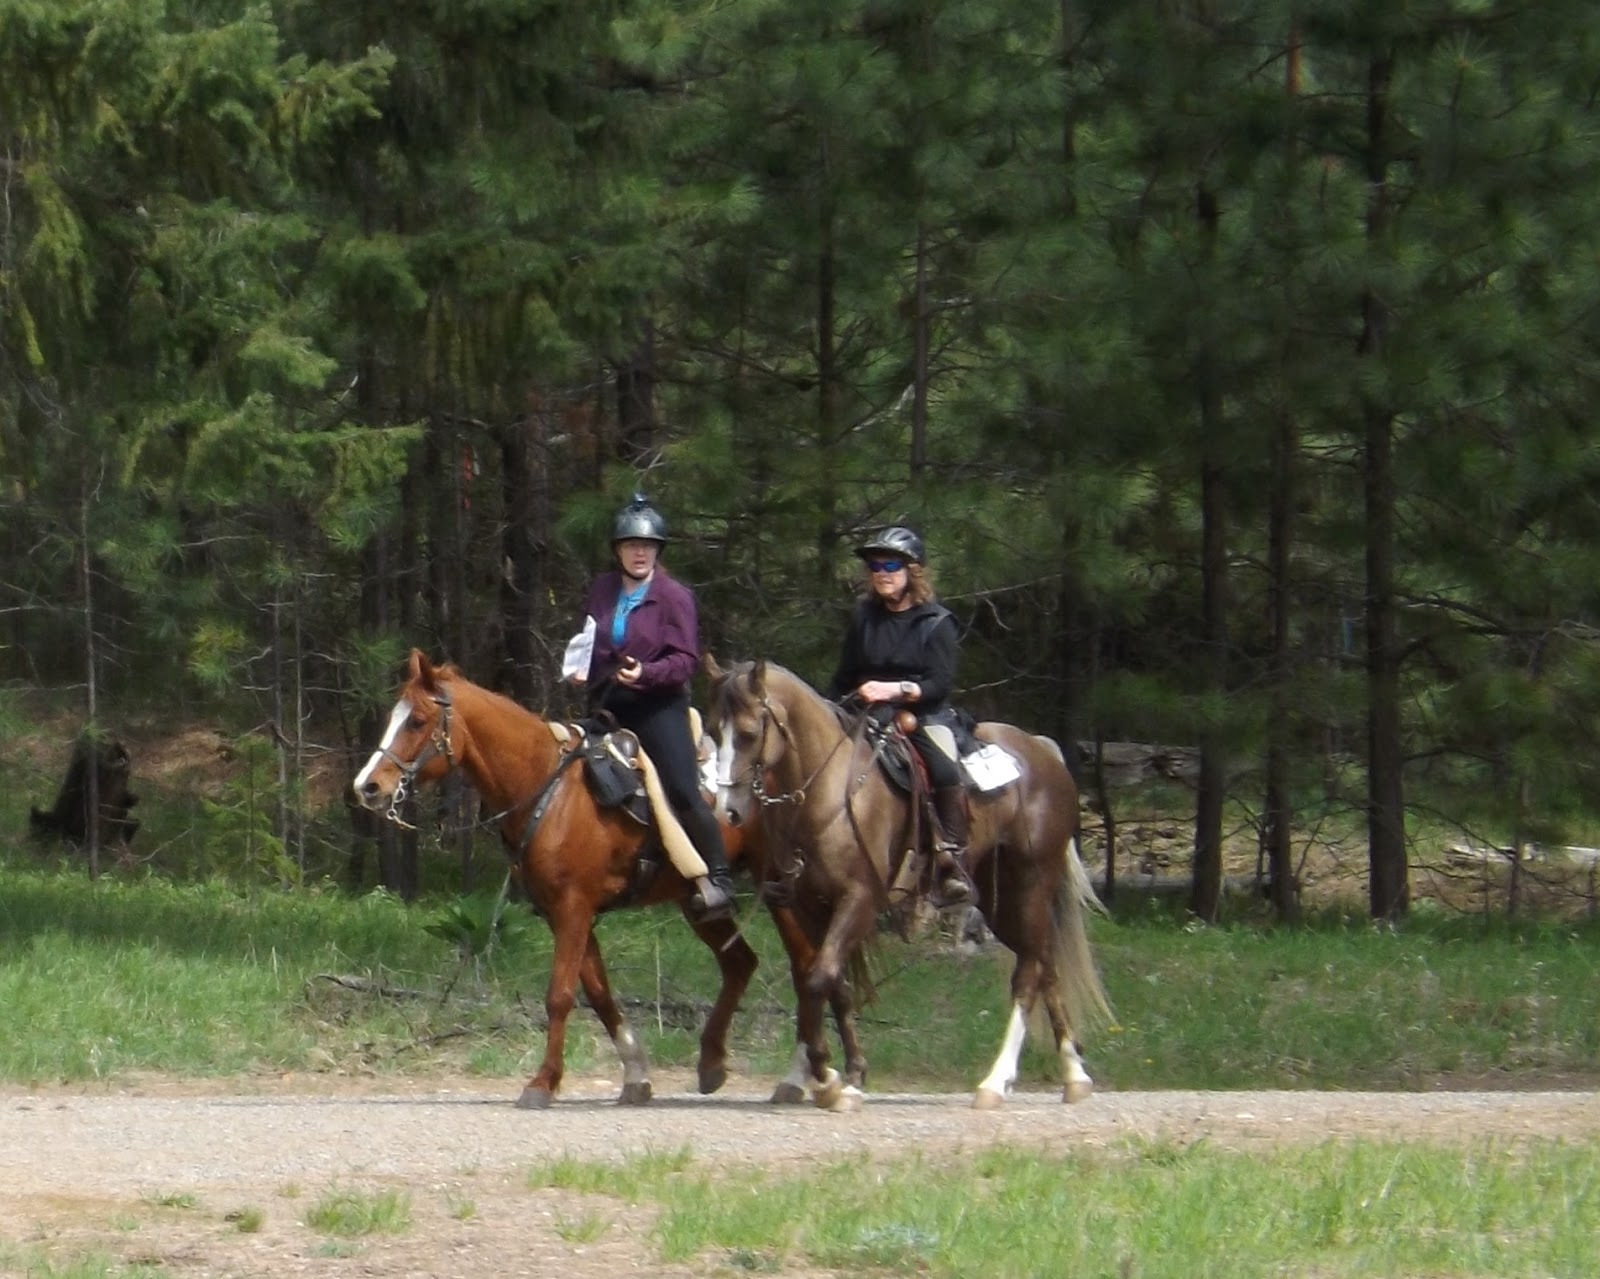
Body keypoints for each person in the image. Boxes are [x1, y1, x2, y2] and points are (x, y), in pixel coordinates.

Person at [569, 494, 736, 922]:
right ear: (617, 551)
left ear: (658, 550)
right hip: (610, 704)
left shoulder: (674, 596)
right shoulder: (603, 589)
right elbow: (590, 641)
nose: (639, 553)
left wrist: (645, 673)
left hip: (658, 706)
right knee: (566, 765)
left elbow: (685, 661)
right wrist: (580, 670)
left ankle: (720, 877)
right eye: (630, 545)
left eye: (646, 546)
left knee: (681, 789)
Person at [826, 525, 972, 906]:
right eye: (875, 566)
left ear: (913, 571)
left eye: (891, 564)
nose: (882, 573)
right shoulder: (864, 617)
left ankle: (951, 859)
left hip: (921, 715)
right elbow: (844, 675)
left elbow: (940, 683)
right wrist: (828, 708)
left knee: (943, 769)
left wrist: (896, 690)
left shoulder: (937, 622)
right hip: (866, 713)